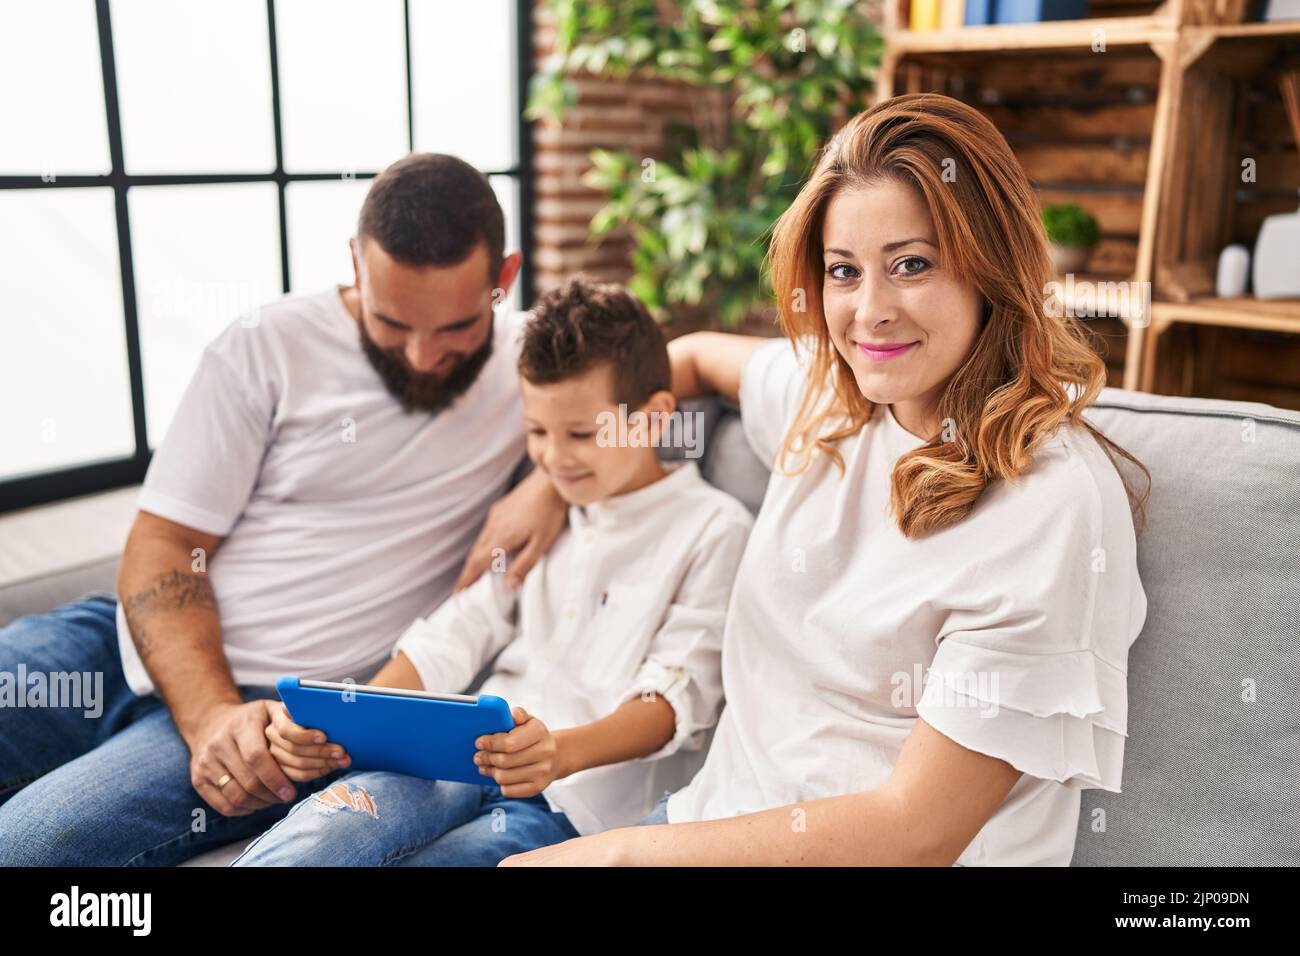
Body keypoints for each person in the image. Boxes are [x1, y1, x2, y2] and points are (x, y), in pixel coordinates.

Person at [501, 93, 1151, 867]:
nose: (869, 312)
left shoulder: (1051, 506)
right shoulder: (832, 395)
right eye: (844, 271)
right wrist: (558, 472)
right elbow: (699, 354)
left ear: (992, 269)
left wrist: (620, 855)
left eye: (911, 265)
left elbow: (917, 830)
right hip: (706, 824)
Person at [0, 154, 566, 865]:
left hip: (278, 709)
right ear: (356, 265)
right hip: (130, 639)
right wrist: (207, 716)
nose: (423, 356)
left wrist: (549, 483)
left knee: (26, 847)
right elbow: (165, 543)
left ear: (502, 281)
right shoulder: (264, 346)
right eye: (394, 324)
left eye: (453, 330)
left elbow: (676, 365)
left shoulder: (539, 365)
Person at [231, 277, 753, 866]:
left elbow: (674, 700)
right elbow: (457, 631)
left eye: (580, 434)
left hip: (573, 799)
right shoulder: (549, 511)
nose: (553, 458)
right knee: (332, 827)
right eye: (537, 432)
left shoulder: (715, 528)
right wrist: (349, 719)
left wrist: (555, 752)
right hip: (461, 756)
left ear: (655, 418)